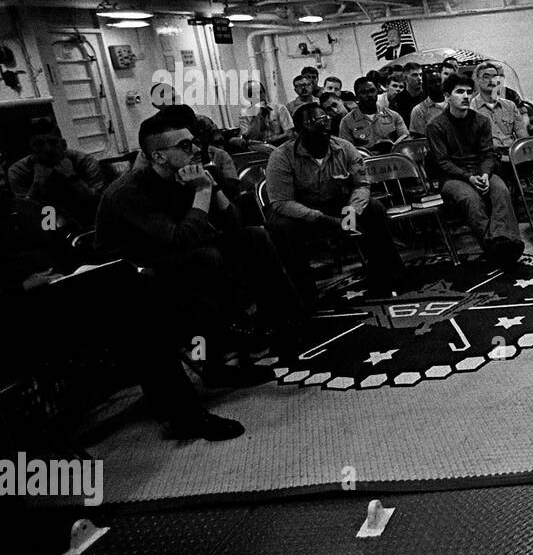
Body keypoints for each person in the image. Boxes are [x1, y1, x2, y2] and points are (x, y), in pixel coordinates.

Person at [1, 202, 245, 441]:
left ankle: (209, 368)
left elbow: (69, 235)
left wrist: (77, 270)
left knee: (148, 288)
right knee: (139, 311)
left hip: (62, 291)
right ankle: (189, 404)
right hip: (21, 317)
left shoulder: (23, 209)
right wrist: (20, 287)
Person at [96, 112, 306, 365]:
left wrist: (212, 186)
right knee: (207, 257)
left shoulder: (188, 173)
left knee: (253, 237)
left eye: (194, 141)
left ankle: (288, 323)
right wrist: (202, 190)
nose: (196, 148)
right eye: (185, 146)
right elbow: (179, 239)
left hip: (178, 251)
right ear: (159, 156)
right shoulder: (128, 192)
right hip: (135, 270)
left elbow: (233, 225)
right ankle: (228, 345)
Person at [264, 101, 406, 303]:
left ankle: (387, 276)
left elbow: (361, 185)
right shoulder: (281, 157)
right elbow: (281, 202)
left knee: (374, 209)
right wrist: (321, 219)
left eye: (325, 119)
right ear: (298, 131)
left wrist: (351, 211)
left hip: (336, 203)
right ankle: (303, 294)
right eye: (314, 122)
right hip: (300, 211)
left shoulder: (345, 147)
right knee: (281, 226)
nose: (322, 125)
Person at [426, 73, 524, 268]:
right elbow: (442, 162)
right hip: (453, 176)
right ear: (447, 96)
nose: (465, 96)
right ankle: (494, 245)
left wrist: (486, 175)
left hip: (481, 171)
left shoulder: (481, 121)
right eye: (459, 92)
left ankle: (504, 241)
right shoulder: (435, 126)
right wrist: (469, 178)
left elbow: (488, 154)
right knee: (471, 199)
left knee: (501, 191)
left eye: (469, 92)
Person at [6, 120, 104, 229]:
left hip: (87, 218)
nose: (47, 149)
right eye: (39, 145)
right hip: (46, 224)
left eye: (52, 142)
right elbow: (24, 214)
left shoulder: (84, 162)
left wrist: (72, 177)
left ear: (63, 144)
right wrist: (37, 183)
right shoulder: (19, 170)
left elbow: (100, 204)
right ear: (30, 149)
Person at [471, 61, 529, 155]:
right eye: (486, 77)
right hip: (488, 156)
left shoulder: (510, 105)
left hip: (513, 153)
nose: (491, 81)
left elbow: (522, 133)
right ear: (477, 80)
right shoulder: (471, 109)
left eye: (494, 77)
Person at [338, 77, 408, 151]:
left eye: (372, 91)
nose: (369, 95)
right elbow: (347, 151)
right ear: (357, 96)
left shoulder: (393, 116)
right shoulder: (347, 122)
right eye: (364, 92)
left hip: (392, 159)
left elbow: (406, 139)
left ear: (377, 91)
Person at [241, 81, 294, 146]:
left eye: (260, 92)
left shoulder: (279, 108)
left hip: (279, 145)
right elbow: (250, 139)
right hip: (257, 150)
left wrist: (267, 142)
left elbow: (289, 134)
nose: (258, 96)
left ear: (264, 92)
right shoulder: (245, 115)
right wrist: (257, 116)